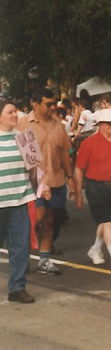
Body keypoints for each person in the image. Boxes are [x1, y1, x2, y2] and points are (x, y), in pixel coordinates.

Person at [16, 88, 76, 276]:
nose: (52, 107)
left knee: (50, 219)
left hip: (56, 180)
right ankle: (21, 256)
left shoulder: (58, 125)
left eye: (54, 103)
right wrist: (41, 184)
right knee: (37, 217)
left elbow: (65, 153)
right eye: (48, 104)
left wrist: (70, 177)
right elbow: (25, 157)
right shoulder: (23, 124)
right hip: (33, 182)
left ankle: (44, 259)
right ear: (36, 104)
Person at [74, 109, 111, 271]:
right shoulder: (89, 143)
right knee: (108, 221)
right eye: (109, 123)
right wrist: (78, 194)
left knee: (108, 221)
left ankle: (95, 249)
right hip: (96, 187)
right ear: (100, 125)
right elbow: (79, 170)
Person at [0, 99, 45, 303]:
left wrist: (36, 190)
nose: (14, 115)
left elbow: (34, 170)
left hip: (20, 200)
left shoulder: (25, 137)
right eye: (9, 112)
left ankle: (17, 288)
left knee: (20, 246)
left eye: (15, 112)